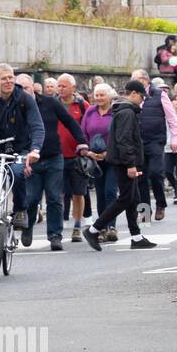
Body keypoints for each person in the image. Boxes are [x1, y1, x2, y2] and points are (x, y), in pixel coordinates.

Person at [0, 63, 44, 266]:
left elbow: (37, 125)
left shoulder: (24, 98)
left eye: (11, 77)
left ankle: (20, 209)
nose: (8, 81)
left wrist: (35, 149)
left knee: (18, 173)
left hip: (20, 150)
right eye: (4, 78)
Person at [17, 72, 86, 252]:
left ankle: (55, 235)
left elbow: (69, 121)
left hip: (54, 157)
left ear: (33, 87)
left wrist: (82, 141)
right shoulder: (15, 106)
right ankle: (28, 226)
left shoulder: (50, 102)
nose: (23, 91)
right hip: (30, 160)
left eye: (26, 87)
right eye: (19, 88)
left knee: (54, 198)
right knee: (32, 198)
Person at [84, 80, 155, 251]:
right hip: (124, 162)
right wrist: (130, 164)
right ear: (134, 94)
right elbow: (124, 140)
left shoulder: (125, 111)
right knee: (125, 199)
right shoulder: (127, 113)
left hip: (123, 161)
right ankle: (93, 230)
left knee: (133, 199)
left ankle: (136, 237)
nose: (143, 100)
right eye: (142, 96)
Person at [55, 74, 93, 241]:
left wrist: (87, 147)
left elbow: (89, 127)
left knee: (79, 193)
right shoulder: (52, 104)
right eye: (59, 85)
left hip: (77, 157)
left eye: (64, 86)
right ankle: (58, 225)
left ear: (73, 88)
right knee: (58, 193)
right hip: (57, 155)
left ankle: (77, 226)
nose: (60, 89)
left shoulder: (82, 105)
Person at [82, 84, 120, 242]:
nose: (98, 98)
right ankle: (101, 227)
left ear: (110, 96)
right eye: (96, 95)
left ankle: (112, 227)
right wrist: (88, 152)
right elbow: (83, 133)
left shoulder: (116, 112)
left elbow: (120, 134)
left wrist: (109, 152)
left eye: (102, 95)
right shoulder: (90, 111)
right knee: (100, 194)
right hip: (94, 160)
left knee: (110, 192)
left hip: (112, 158)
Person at [140, 77, 177, 221]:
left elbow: (171, 117)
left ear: (144, 80)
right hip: (138, 142)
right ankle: (144, 212)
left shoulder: (159, 94)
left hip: (156, 140)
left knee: (155, 173)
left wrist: (175, 138)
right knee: (140, 178)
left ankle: (160, 204)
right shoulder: (132, 96)